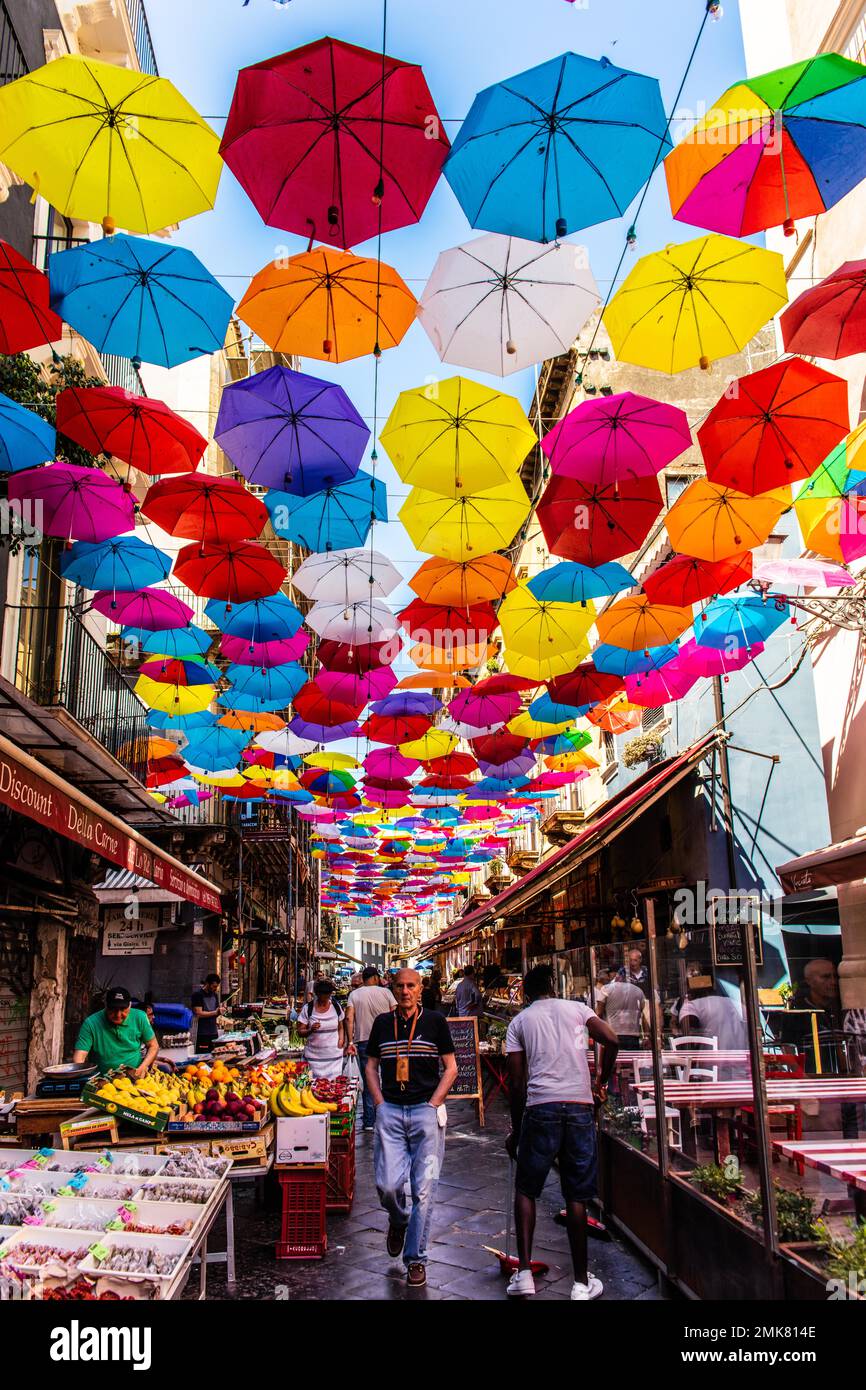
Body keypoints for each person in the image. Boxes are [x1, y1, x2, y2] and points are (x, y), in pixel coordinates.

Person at [505, 964, 619, 1301]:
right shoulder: (578, 1009)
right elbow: (611, 1038)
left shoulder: (520, 1022)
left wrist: (516, 1130)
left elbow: (516, 1083)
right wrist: (601, 1081)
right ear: (553, 987)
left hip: (541, 1108)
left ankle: (524, 1273)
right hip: (579, 1106)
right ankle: (581, 1283)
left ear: (526, 992)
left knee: (527, 1188)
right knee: (577, 1195)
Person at [365, 968, 458, 1288]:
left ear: (420, 989)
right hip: (390, 1111)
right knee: (388, 1185)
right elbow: (371, 1065)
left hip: (424, 1114)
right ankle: (398, 1219)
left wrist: (433, 1104)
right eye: (400, 986)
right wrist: (378, 1103)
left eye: (411, 986)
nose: (405, 991)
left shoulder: (434, 1022)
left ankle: (416, 1258)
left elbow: (451, 1067)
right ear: (392, 988)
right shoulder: (382, 1023)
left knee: (424, 1189)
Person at [346, 966, 396, 1131]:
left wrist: (350, 1041)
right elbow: (395, 1014)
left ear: (363, 979)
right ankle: (389, 1117)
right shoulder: (386, 993)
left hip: (364, 1041)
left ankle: (369, 1120)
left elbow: (349, 1018)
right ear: (375, 977)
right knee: (389, 1078)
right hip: (387, 1040)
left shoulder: (354, 995)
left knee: (369, 1081)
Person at [73, 987, 159, 1078]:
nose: (118, 1015)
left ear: (129, 1006)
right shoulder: (91, 1023)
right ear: (106, 1005)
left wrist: (142, 1068)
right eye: (113, 1009)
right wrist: (79, 1076)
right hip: (102, 1081)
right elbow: (80, 1056)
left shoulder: (140, 1017)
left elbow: (153, 1046)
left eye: (123, 1009)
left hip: (134, 1078)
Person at [297, 978, 347, 1079]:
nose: (325, 997)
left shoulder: (336, 1007)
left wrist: (341, 1040)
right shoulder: (308, 1008)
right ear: (317, 993)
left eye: (328, 993)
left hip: (334, 1059)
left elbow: (341, 1026)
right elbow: (300, 1031)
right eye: (323, 994)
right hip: (314, 1060)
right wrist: (310, 1030)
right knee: (314, 1088)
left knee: (334, 1088)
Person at [679, 982, 748, 1050]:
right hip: (741, 1056)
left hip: (712, 1057)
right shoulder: (736, 1003)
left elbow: (688, 1028)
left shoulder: (692, 1005)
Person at [595, 975, 646, 1049]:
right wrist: (646, 1036)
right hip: (633, 1035)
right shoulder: (638, 990)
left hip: (612, 1034)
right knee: (631, 1059)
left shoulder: (606, 989)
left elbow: (598, 1013)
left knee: (613, 1059)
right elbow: (644, 1015)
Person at [191, 973, 223, 1053]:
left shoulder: (215, 995)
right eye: (214, 986)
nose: (215, 988)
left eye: (217, 986)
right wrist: (215, 1013)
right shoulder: (198, 995)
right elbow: (199, 1013)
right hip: (202, 1033)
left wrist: (220, 1011)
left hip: (213, 1032)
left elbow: (216, 1010)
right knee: (203, 1056)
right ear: (207, 984)